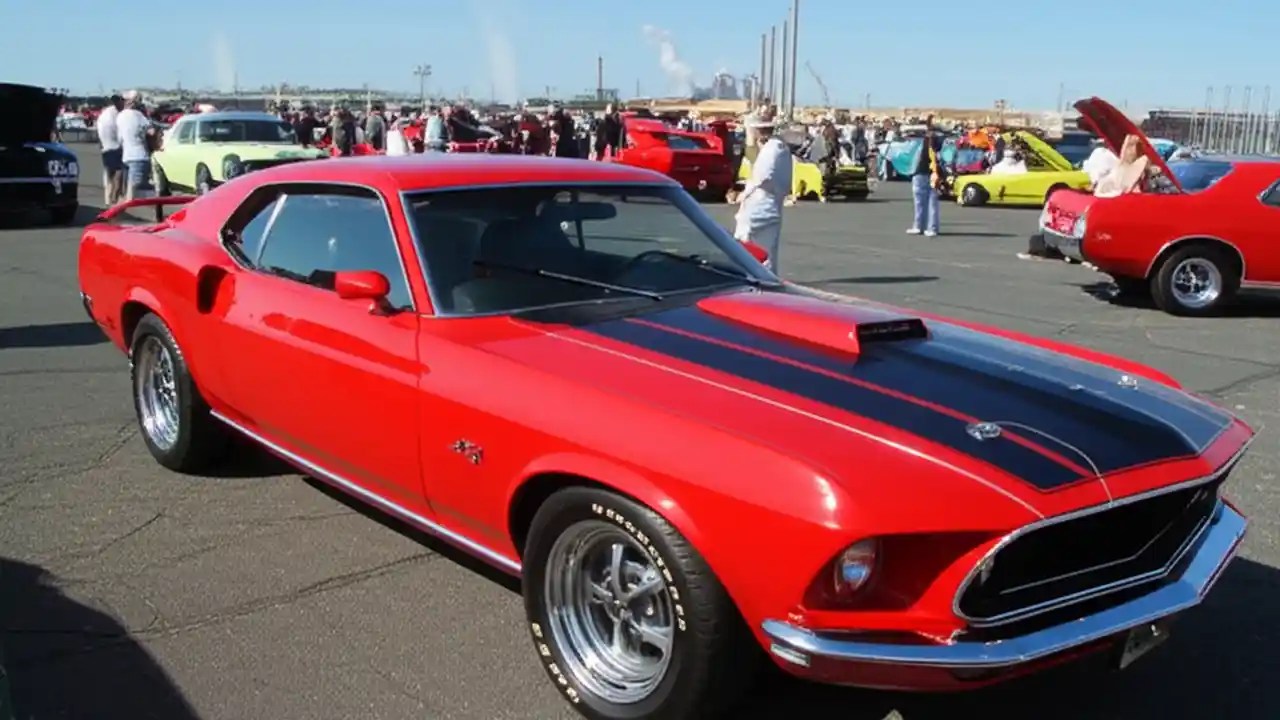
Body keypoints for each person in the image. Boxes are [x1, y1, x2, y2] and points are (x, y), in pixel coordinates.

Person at [733, 115, 792, 272]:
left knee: (748, 239)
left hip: (762, 203)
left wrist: (745, 194)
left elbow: (762, 175)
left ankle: (753, 273)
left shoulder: (773, 148)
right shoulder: (778, 146)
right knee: (765, 246)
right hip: (768, 202)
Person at [116, 91, 154, 203]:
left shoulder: (119, 116)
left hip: (126, 157)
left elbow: (120, 139)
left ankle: (118, 210)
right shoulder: (139, 115)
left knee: (128, 191)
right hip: (140, 156)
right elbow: (152, 132)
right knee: (139, 193)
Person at [907, 115, 942, 236]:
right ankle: (929, 227)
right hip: (931, 171)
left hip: (924, 171)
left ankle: (921, 226)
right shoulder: (939, 139)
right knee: (930, 201)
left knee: (922, 200)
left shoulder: (927, 139)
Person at [97, 94, 125, 206]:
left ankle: (108, 199)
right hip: (115, 147)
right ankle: (115, 199)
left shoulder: (103, 114)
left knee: (109, 175)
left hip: (105, 148)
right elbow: (120, 131)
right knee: (118, 174)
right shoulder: (116, 114)